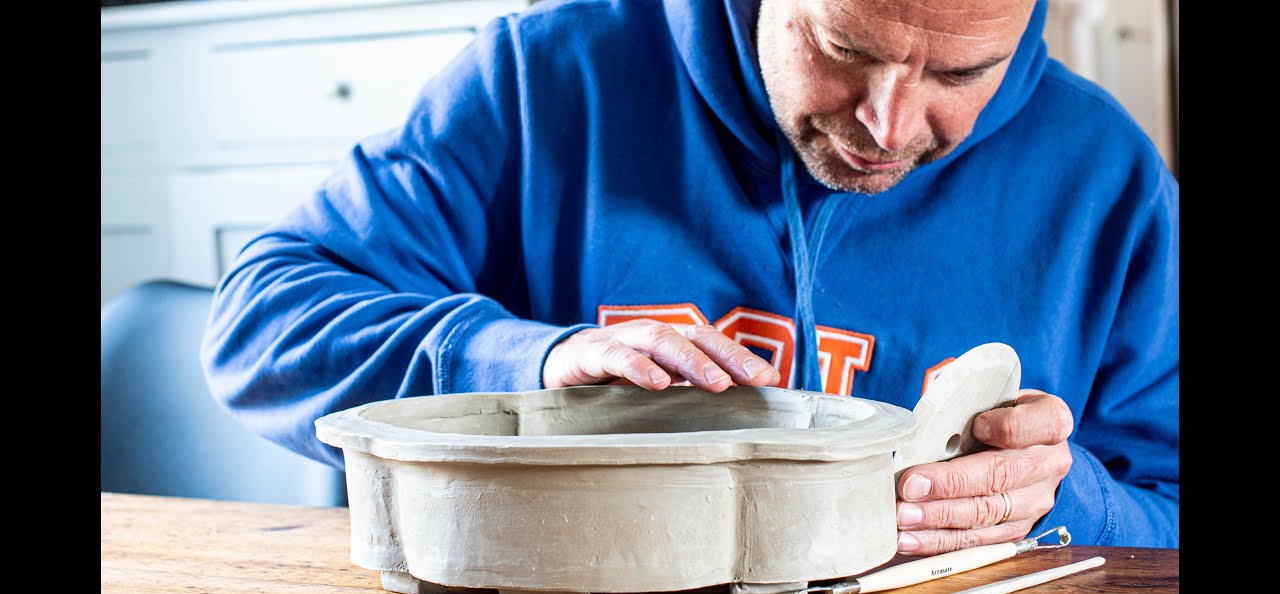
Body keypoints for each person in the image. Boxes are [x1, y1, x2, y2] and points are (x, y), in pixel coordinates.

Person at [201, 0, 1179, 556]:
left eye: (961, 76)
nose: (884, 127)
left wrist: (1056, 497)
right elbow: (261, 321)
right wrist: (524, 369)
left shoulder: (1103, 173)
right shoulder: (540, 79)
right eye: (844, 50)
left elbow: (1165, 508)